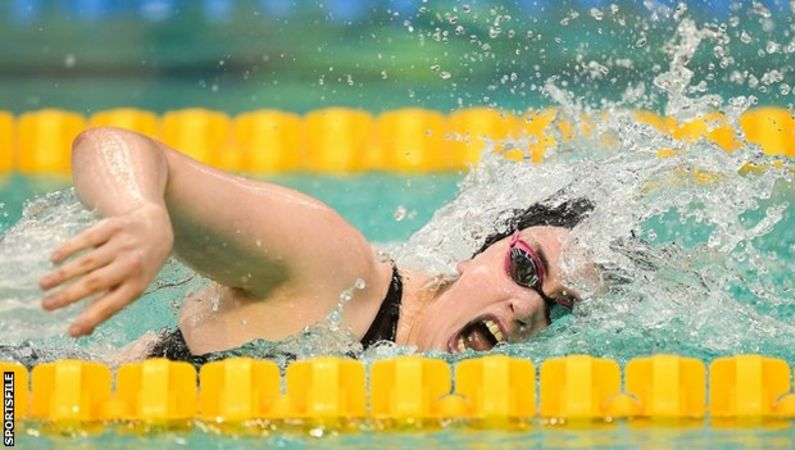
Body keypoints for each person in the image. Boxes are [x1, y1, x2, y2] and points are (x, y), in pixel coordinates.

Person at [37, 127, 594, 363]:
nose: (529, 309)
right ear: (476, 250)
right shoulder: (335, 272)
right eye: (525, 267)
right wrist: (140, 213)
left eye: (558, 310)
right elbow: (111, 143)